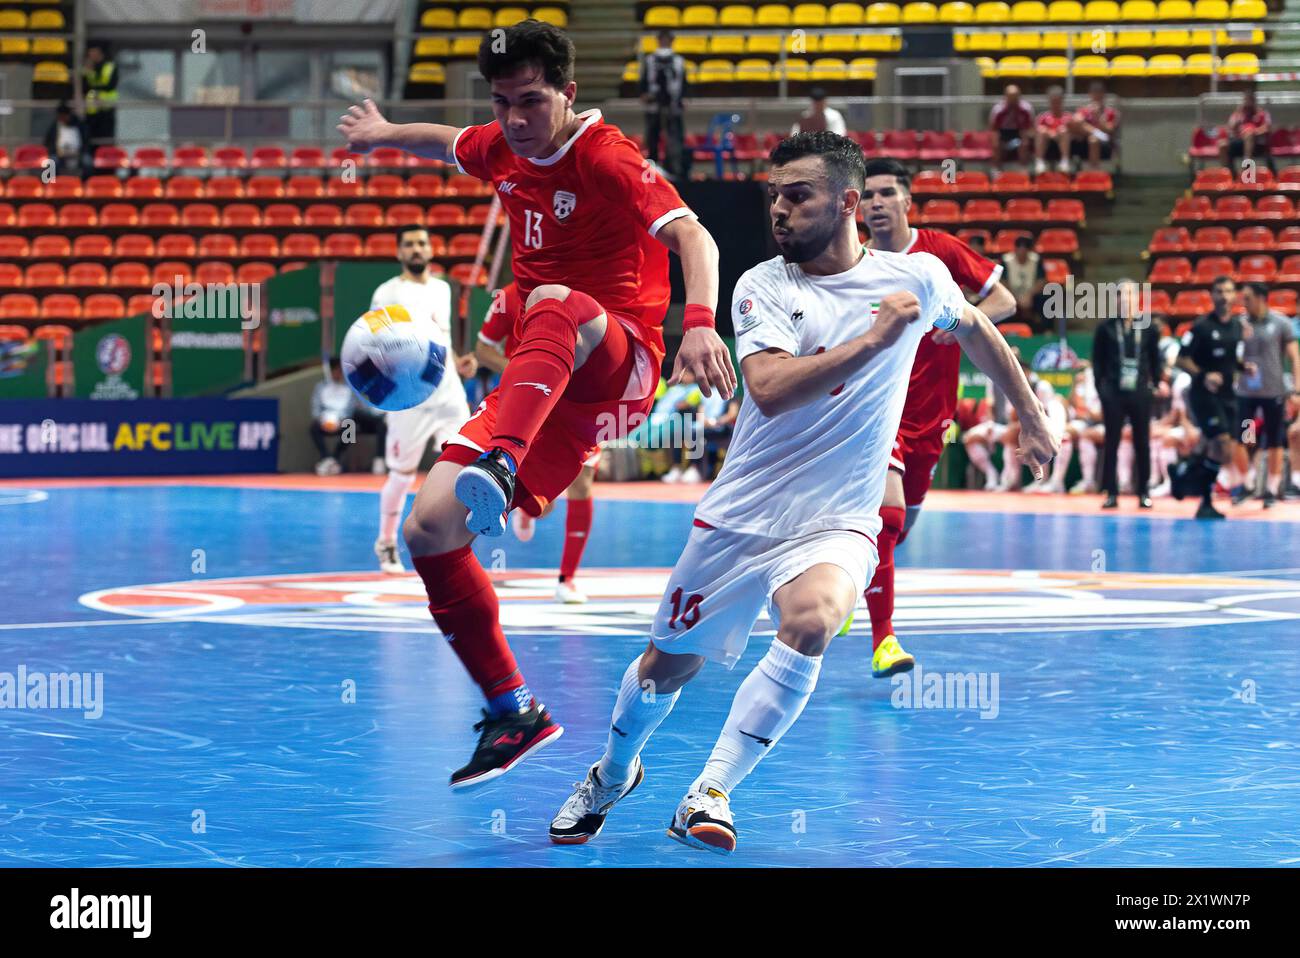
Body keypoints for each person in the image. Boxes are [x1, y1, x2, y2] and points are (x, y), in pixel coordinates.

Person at [547, 132, 1057, 853]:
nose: (779, 210)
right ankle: (611, 772)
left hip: (838, 517)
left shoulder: (918, 276)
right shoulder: (765, 283)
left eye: (797, 195)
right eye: (774, 196)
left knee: (814, 622)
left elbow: (974, 326)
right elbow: (771, 388)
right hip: (742, 516)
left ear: (847, 203)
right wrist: (875, 344)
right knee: (668, 667)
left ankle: (711, 790)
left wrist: (1030, 415)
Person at [336, 19, 735, 790]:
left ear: (567, 94)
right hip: (545, 379)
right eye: (502, 102)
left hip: (619, 361)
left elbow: (697, 239)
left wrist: (698, 324)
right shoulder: (502, 144)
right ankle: (512, 708)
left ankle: (503, 459)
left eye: (530, 101)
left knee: (549, 298)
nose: (515, 119)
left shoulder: (606, 156)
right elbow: (445, 139)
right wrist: (384, 133)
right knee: (428, 529)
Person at [858, 157, 1017, 678]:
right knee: (888, 517)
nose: (875, 203)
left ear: (907, 201)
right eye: (867, 196)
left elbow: (1006, 299)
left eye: (886, 193)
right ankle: (884, 640)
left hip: (933, 417)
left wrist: (963, 324)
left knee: (897, 532)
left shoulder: (940, 253)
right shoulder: (853, 263)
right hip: (876, 412)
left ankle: (851, 580)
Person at [476, 282, 600, 604]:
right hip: (524, 399)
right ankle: (522, 504)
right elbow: (483, 349)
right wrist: (530, 373)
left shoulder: (588, 290)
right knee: (514, 482)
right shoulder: (507, 296)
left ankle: (567, 578)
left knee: (582, 480)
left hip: (575, 401)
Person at [370, 225, 478, 575]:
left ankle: (458, 547)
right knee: (402, 475)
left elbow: (442, 337)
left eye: (421, 243)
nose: (416, 249)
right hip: (409, 396)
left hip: (448, 392)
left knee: (468, 467)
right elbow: (375, 341)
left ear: (431, 250)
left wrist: (459, 360)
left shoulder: (443, 289)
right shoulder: (387, 292)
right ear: (399, 253)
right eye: (409, 245)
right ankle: (386, 542)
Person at [1170, 276, 1249, 519]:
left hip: (1228, 395)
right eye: (1219, 291)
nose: (1224, 296)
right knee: (1221, 444)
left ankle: (1183, 473)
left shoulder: (1238, 327)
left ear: (1234, 295)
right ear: (1212, 295)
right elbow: (1180, 359)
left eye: (1228, 291)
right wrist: (1203, 375)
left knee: (1222, 449)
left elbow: (1230, 359)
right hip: (1204, 395)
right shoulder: (1202, 326)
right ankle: (1205, 500)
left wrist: (1244, 367)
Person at [1091, 281, 1166, 509]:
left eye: (1130, 295)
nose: (1125, 299)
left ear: (1137, 299)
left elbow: (1155, 360)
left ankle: (1143, 491)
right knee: (1112, 442)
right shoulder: (1105, 328)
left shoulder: (1150, 327)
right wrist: (1102, 390)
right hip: (1113, 391)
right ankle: (1111, 492)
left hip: (1140, 391)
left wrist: (1154, 385)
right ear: (1115, 300)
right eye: (1121, 295)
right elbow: (1098, 362)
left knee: (1142, 442)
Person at [1235, 282, 1300, 508]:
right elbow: (1233, 358)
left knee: (1274, 440)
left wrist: (1296, 389)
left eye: (1248, 298)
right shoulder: (1240, 324)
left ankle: (1271, 489)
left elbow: (1294, 358)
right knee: (1245, 438)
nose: (1244, 303)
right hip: (1247, 393)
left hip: (1274, 393)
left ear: (1262, 298)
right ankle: (1248, 482)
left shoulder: (1281, 323)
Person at [311, 359, 386, 476]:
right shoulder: (320, 387)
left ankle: (336, 458)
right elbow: (315, 408)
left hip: (343, 420)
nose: (337, 373)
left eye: (339, 371)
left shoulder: (349, 388)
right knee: (313, 428)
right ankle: (326, 458)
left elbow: (350, 408)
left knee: (351, 428)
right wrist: (322, 419)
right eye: (334, 371)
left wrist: (340, 420)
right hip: (324, 420)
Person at [639, 29, 688, 179]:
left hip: (673, 104)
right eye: (663, 39)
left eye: (668, 39)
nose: (665, 42)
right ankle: (652, 171)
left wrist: (683, 98)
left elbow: (683, 81)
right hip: (654, 104)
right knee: (652, 137)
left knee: (674, 137)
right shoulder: (650, 60)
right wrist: (644, 94)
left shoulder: (679, 60)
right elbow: (643, 80)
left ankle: (674, 170)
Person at [1219, 88, 1271, 173]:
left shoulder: (1262, 113)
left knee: (1249, 134)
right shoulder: (1238, 113)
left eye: (1250, 100)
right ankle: (1229, 174)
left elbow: (1267, 128)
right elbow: (1231, 128)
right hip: (1239, 142)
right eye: (1246, 100)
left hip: (1257, 145)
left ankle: (1246, 169)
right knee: (1222, 144)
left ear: (1254, 101)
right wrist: (1239, 116)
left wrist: (1254, 132)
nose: (1248, 103)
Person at [1070, 81, 1119, 170]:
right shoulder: (1084, 110)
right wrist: (1092, 130)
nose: (1097, 96)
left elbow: (1110, 130)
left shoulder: (1110, 112)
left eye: (1099, 92)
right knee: (1077, 125)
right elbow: (1075, 123)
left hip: (1105, 144)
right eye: (1095, 92)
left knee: (1093, 139)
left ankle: (1094, 170)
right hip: (1083, 142)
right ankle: (1097, 133)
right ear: (1090, 94)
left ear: (1104, 94)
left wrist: (1098, 117)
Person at [1001, 235, 1047, 329]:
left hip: (1031, 296)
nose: (1022, 251)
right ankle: (1001, 330)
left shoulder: (1036, 260)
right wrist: (1015, 298)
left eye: (1025, 248)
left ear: (1029, 250)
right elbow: (1003, 282)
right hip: (1011, 295)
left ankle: (1046, 330)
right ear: (1016, 249)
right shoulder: (1006, 260)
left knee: (1046, 299)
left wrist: (1029, 295)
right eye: (1019, 248)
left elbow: (1041, 281)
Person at [989, 84, 1034, 169]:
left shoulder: (1026, 108)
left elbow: (1030, 126)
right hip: (1003, 132)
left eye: (1015, 97)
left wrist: (1027, 136)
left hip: (1020, 131)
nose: (1013, 100)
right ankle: (996, 170)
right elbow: (993, 128)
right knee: (996, 143)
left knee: (1024, 143)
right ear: (1006, 96)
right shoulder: (998, 109)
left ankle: (1023, 170)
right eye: (1011, 97)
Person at [81, 42, 118, 145]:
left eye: (93, 52)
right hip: (92, 110)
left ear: (99, 52)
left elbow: (110, 85)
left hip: (106, 108)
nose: (91, 55)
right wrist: (87, 71)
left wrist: (94, 88)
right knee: (91, 139)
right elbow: (84, 87)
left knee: (106, 138)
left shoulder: (110, 66)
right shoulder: (88, 68)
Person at [1033, 85, 1073, 175]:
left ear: (1062, 101)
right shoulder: (1043, 117)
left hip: (1065, 147)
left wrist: (1059, 133)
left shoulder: (1069, 117)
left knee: (1063, 130)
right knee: (1041, 130)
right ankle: (1039, 162)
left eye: (1058, 102)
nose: (1055, 104)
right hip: (1047, 147)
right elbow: (1036, 131)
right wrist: (1050, 133)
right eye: (1053, 102)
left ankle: (1064, 162)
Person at [44, 102, 89, 176]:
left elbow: (86, 141)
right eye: (60, 117)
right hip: (59, 154)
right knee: (52, 161)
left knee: (87, 161)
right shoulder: (55, 125)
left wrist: (80, 152)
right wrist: (56, 151)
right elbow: (48, 141)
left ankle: (86, 183)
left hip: (78, 154)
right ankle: (50, 184)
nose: (62, 119)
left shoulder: (79, 125)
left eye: (63, 116)